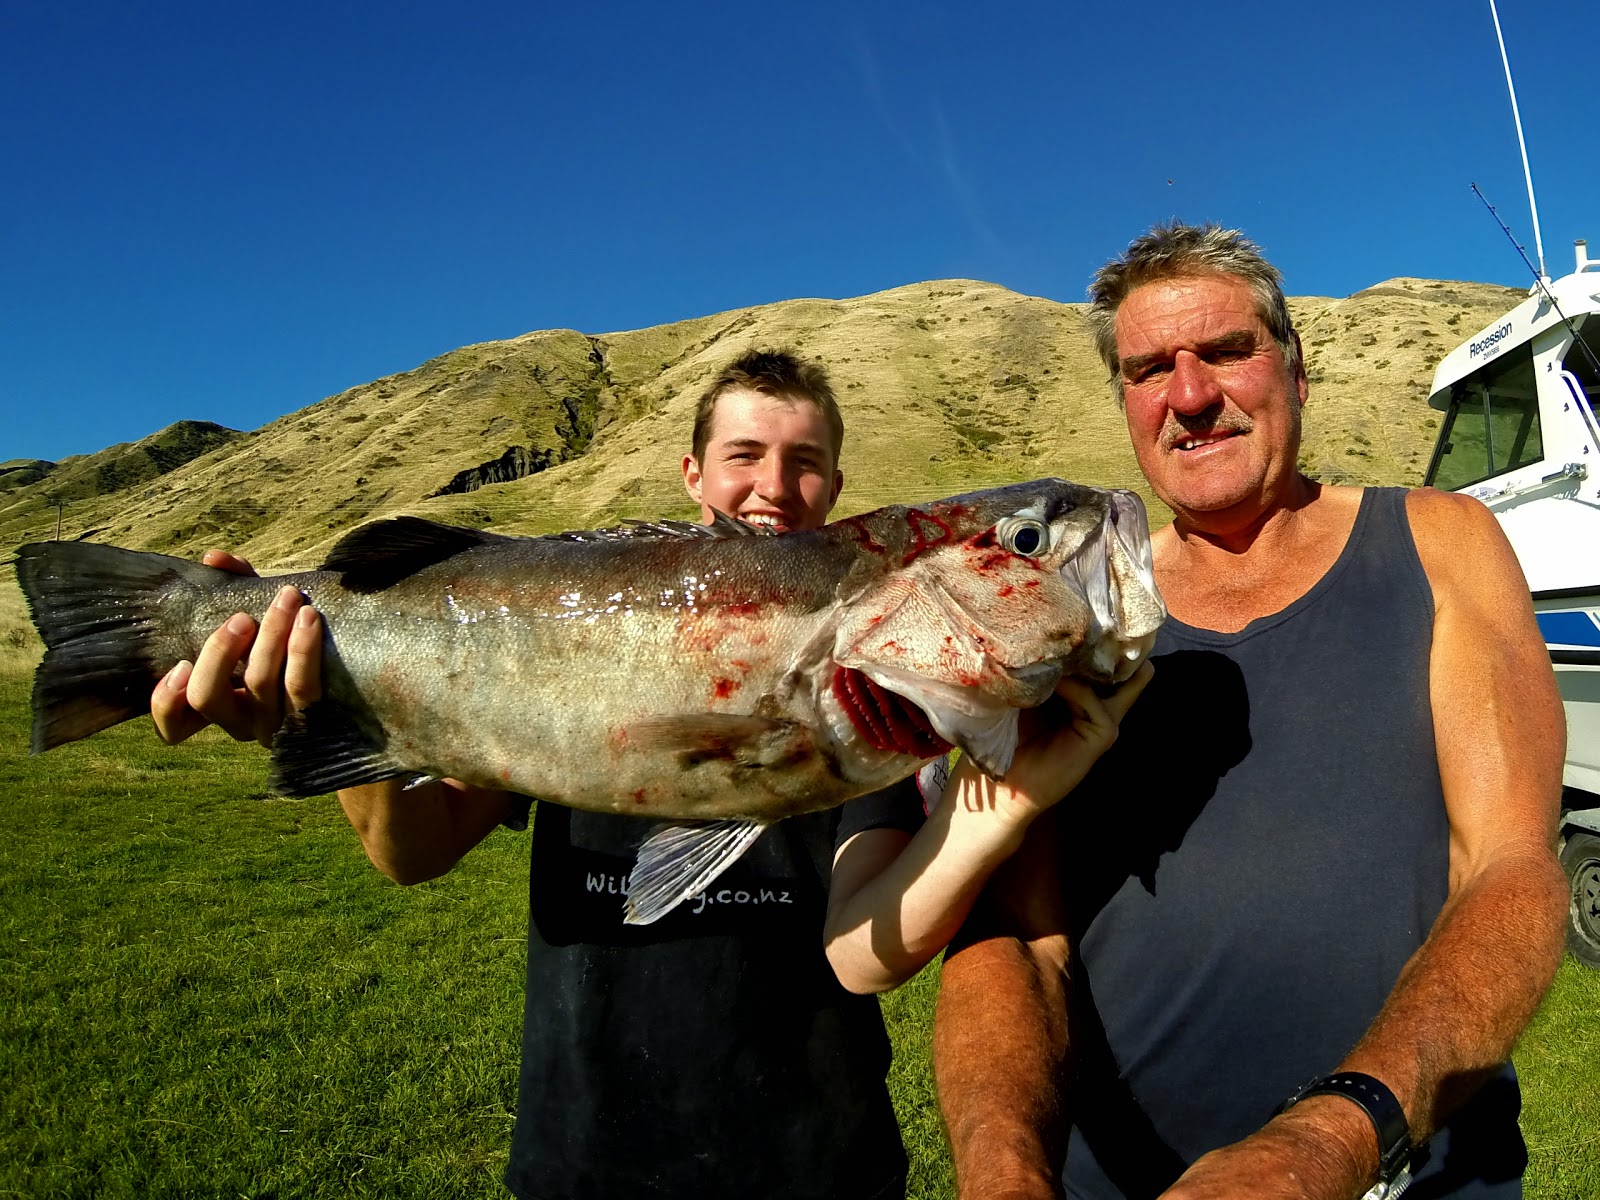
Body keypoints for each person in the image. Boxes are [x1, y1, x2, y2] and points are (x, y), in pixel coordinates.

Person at [152, 349, 931, 1199]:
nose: (773, 486)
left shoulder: (874, 685)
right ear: (692, 474)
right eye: (744, 455)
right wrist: (324, 698)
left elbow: (871, 946)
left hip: (813, 1163)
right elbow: (412, 853)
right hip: (583, 1159)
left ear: (837, 486)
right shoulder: (570, 626)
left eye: (804, 462)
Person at [930, 222, 1569, 1200]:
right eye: (1149, 369)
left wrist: (1329, 1141)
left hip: (1411, 1170)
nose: (1189, 395)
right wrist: (1003, 1165)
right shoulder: (1067, 610)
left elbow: (1512, 870)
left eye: (1225, 351)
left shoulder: (1439, 545)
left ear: (1296, 371)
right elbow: (1017, 933)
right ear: (1128, 404)